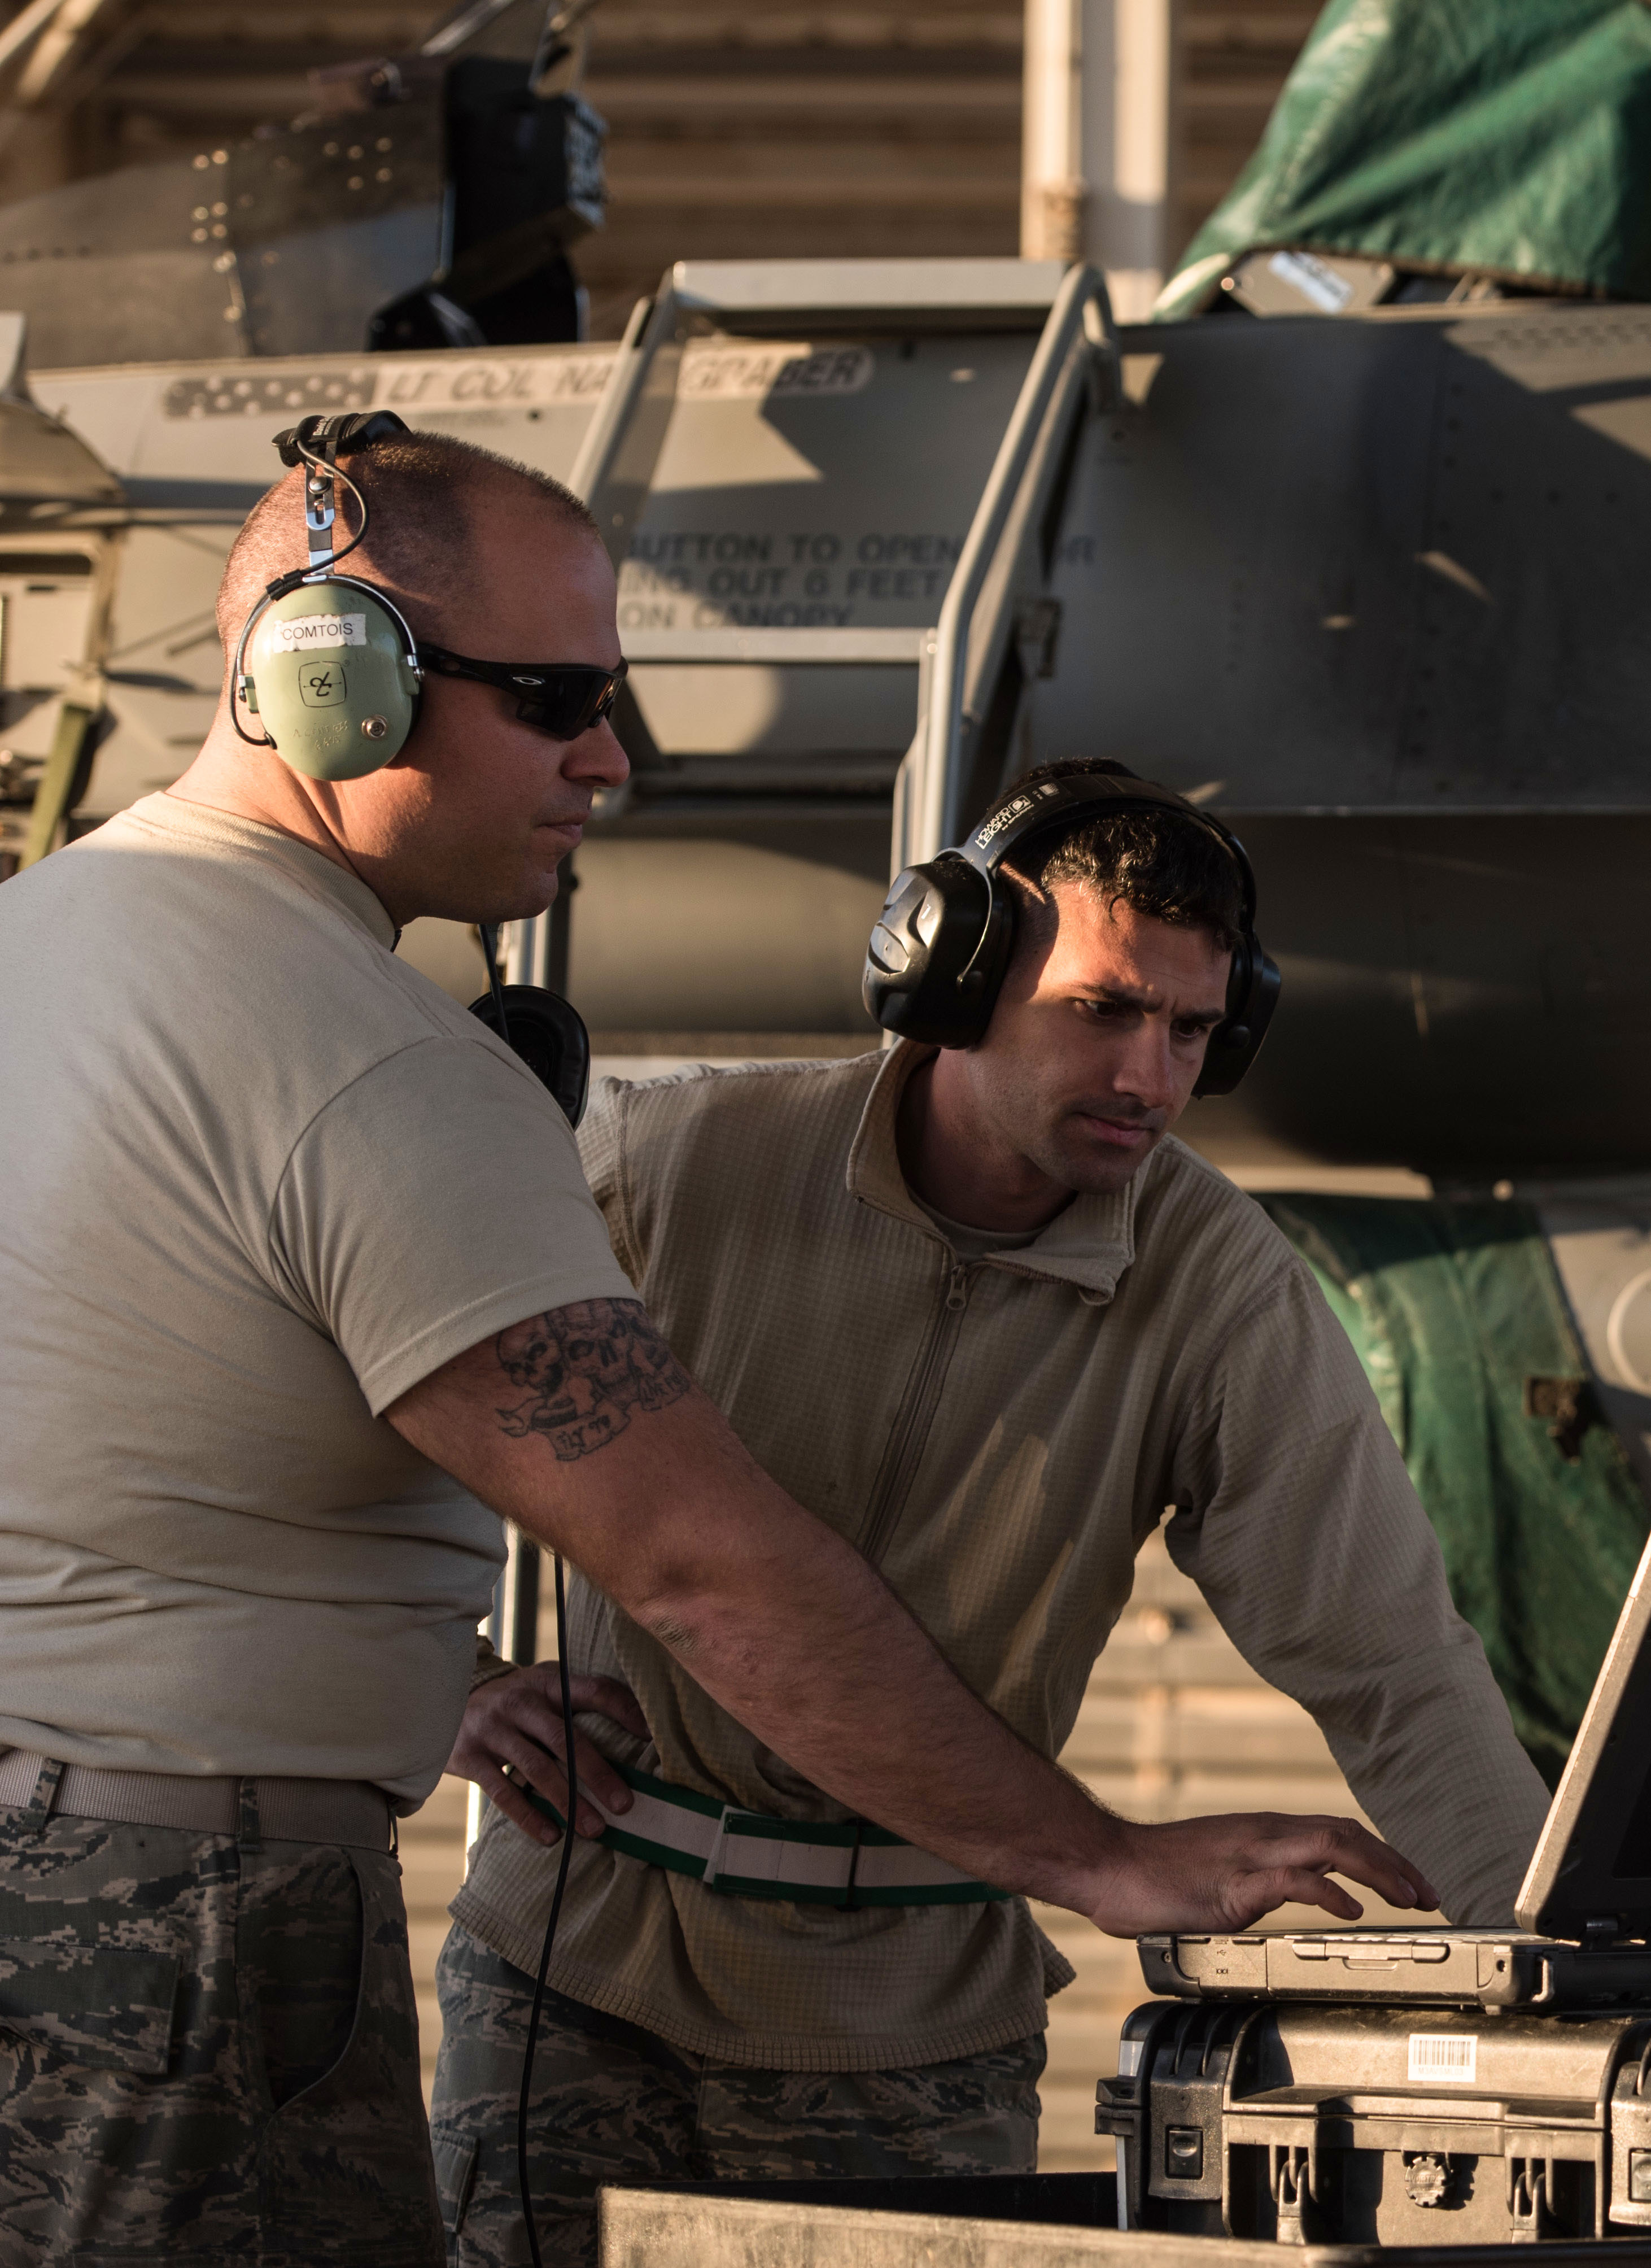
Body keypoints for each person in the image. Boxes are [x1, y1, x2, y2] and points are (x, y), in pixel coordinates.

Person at [0, 431, 1425, 2267]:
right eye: (555, 701)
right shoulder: (379, 1069)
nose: (608, 757)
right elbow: (700, 1565)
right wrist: (1102, 1859)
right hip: (192, 1936)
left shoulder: (47, 940)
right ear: (326, 681)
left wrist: (409, 1676)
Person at [426, 758, 1549, 2263]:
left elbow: (1395, 1660)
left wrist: (1566, 1973)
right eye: (1102, 1010)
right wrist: (445, 1671)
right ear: (949, 975)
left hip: (907, 2043)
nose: (1153, 1078)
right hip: (574, 1987)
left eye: (1194, 1029)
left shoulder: (1222, 1290)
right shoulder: (672, 1165)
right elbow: (365, 1383)